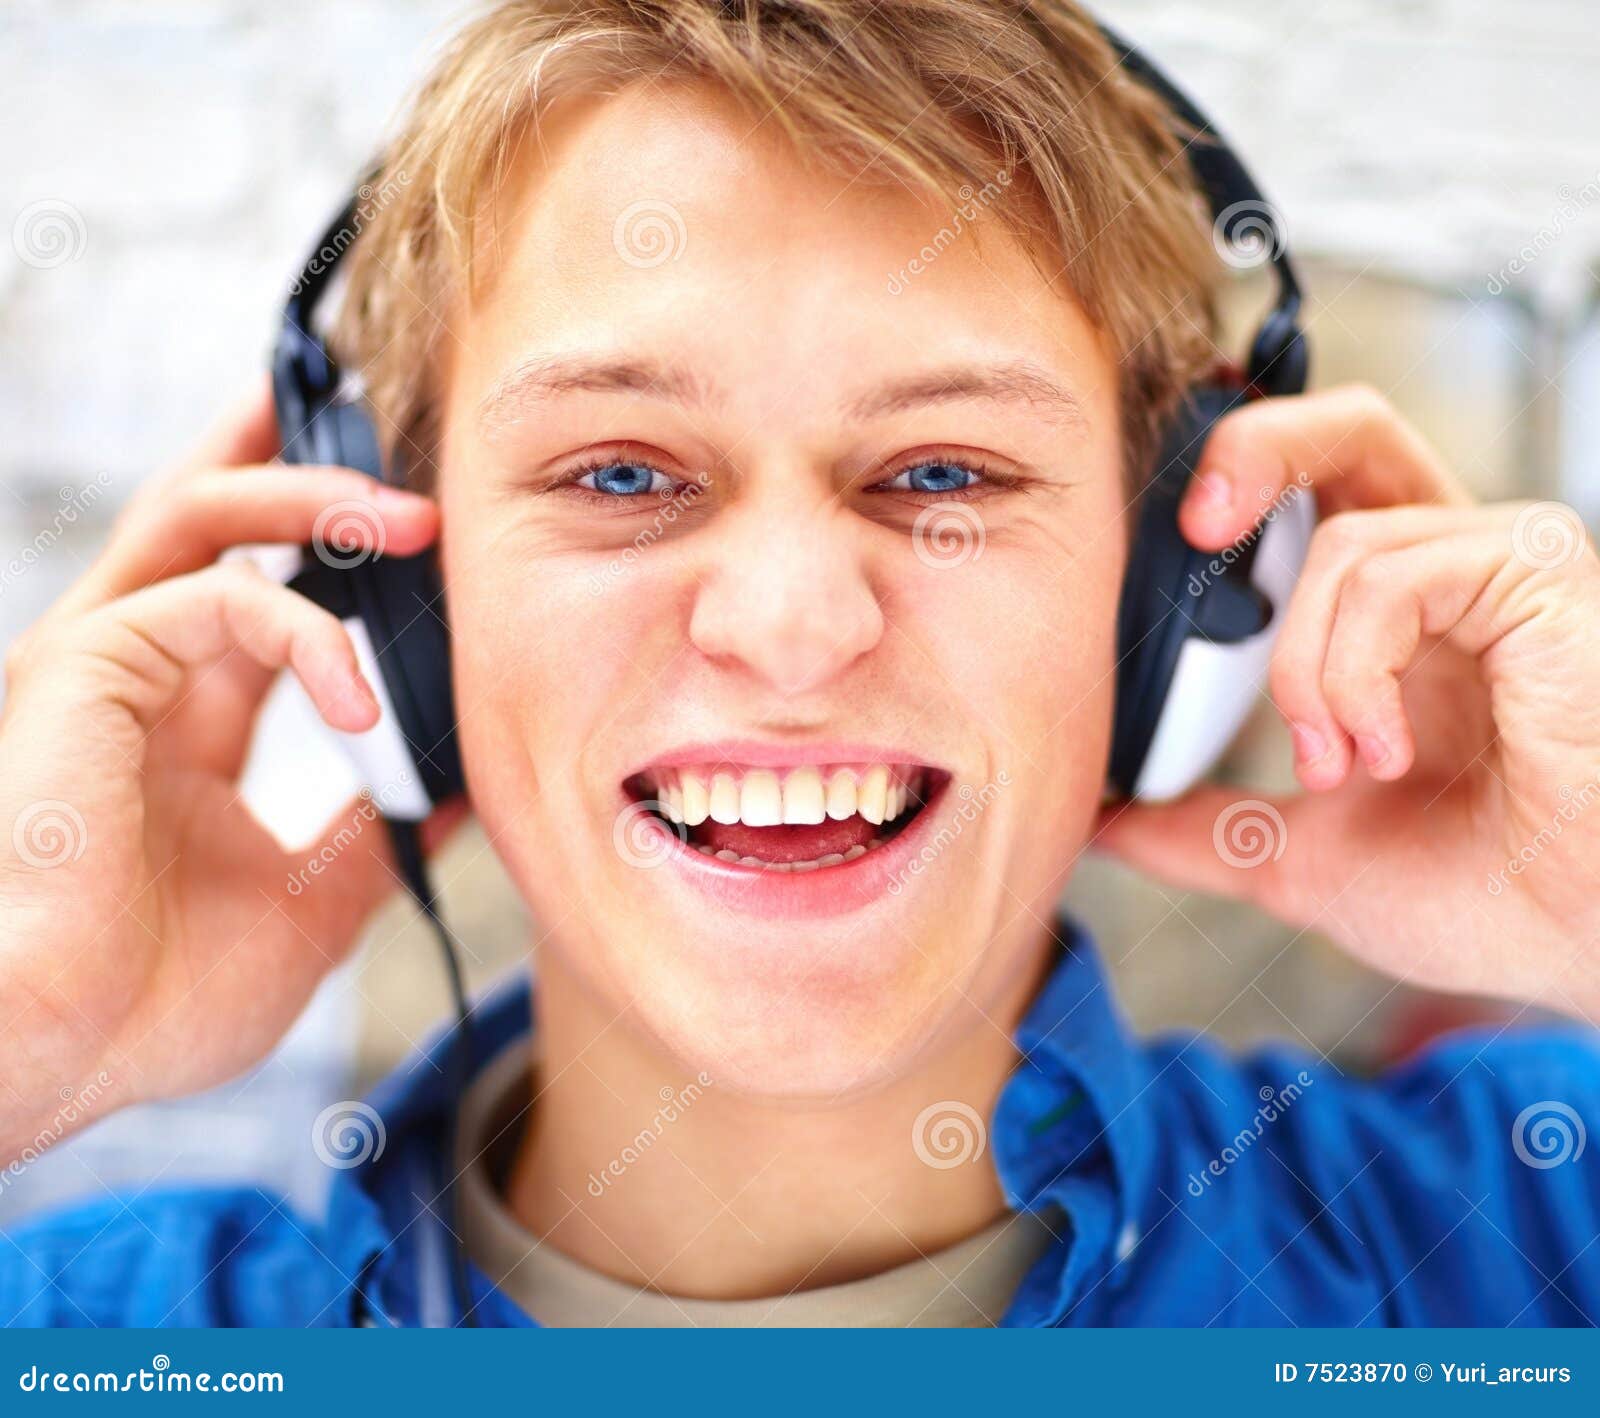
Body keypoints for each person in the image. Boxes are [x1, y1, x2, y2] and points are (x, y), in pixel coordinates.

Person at [1, 0, 1597, 1328]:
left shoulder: (1530, 1249)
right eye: (620, 472)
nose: (789, 623)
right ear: (395, 593)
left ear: (1180, 583)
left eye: (947, 472)